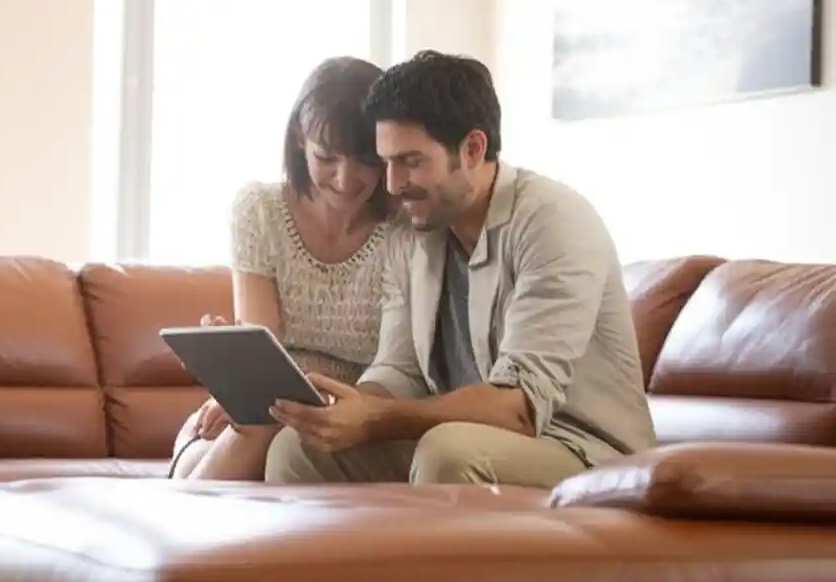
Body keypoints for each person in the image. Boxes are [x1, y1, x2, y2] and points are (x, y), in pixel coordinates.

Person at [266, 50, 656, 487]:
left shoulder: (552, 221)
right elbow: (399, 370)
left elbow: (518, 408)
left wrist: (377, 417)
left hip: (581, 450)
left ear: (472, 149)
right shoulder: (416, 230)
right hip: (464, 437)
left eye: (410, 162)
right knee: (299, 447)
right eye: (387, 162)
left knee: (447, 451)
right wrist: (343, 407)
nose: (393, 185)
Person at [169, 56, 402, 481]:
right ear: (299, 137)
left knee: (257, 431)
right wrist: (232, 364)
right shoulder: (260, 210)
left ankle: (188, 530)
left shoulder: (403, 230)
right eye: (327, 157)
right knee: (196, 456)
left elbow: (396, 364)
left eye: (366, 160)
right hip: (269, 399)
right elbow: (264, 339)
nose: (346, 178)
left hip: (350, 409)